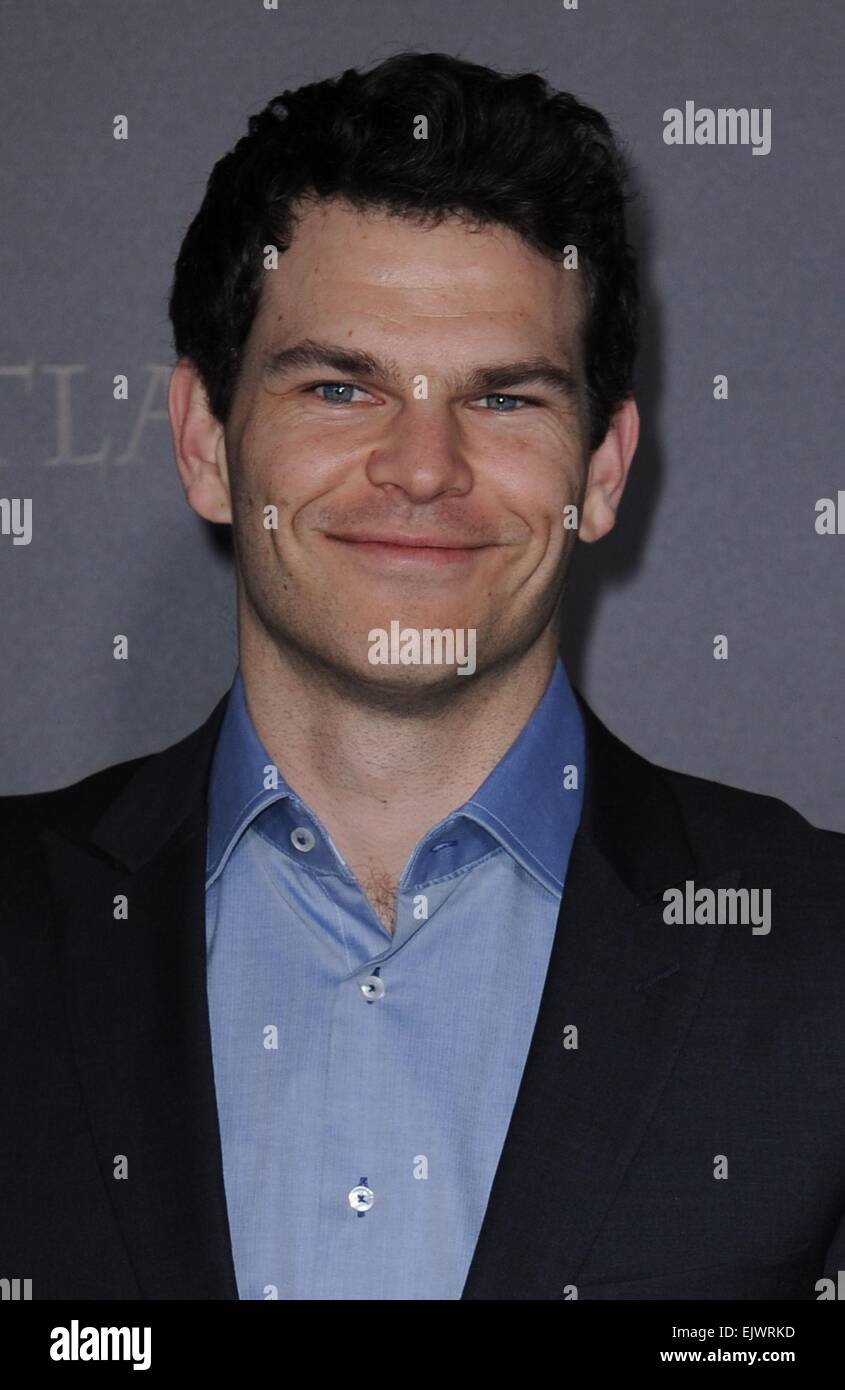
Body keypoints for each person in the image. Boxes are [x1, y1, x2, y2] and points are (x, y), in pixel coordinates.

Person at [2, 51, 843, 1302]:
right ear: (204, 444)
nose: (421, 465)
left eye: (502, 400)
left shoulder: (815, 961)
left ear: (601, 471)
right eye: (340, 386)